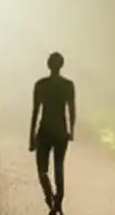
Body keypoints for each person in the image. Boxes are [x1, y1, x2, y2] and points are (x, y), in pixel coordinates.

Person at [30, 51, 76, 214]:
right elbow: (72, 109)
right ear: (61, 65)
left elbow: (36, 111)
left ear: (48, 65)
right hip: (61, 131)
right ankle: (58, 199)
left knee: (42, 170)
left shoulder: (40, 85)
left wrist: (31, 136)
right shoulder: (68, 85)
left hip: (44, 131)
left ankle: (50, 197)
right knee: (58, 167)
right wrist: (71, 130)